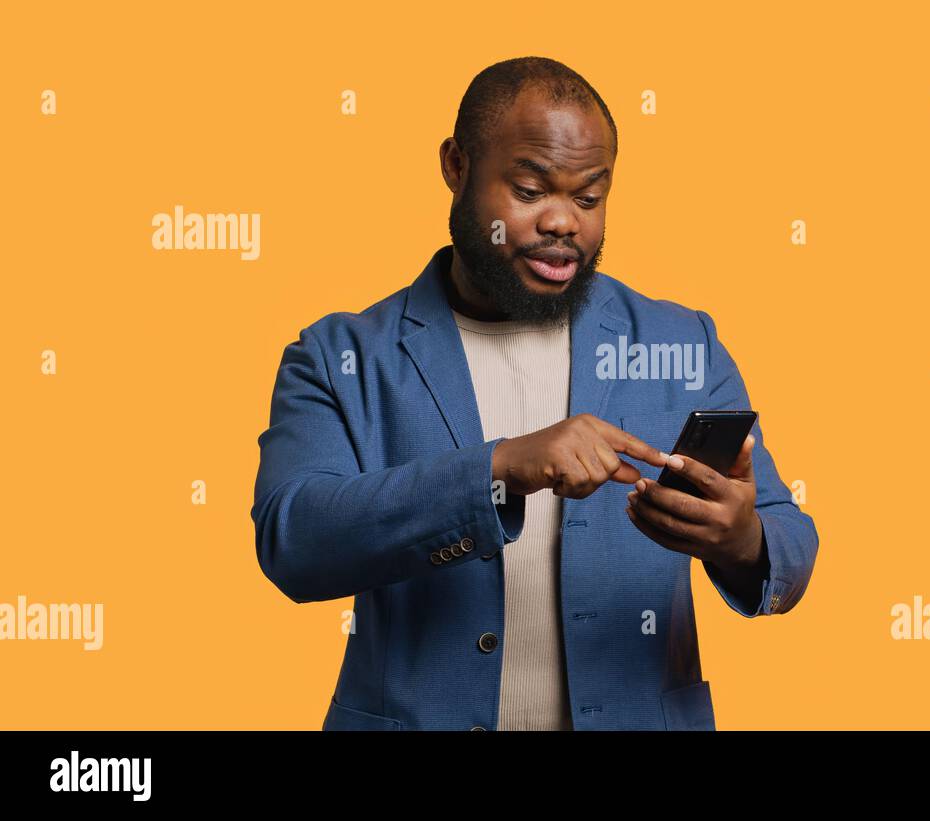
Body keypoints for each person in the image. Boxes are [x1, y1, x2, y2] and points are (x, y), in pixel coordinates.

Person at [250, 56, 819, 731]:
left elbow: (790, 541)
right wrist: (499, 469)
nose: (563, 223)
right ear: (456, 167)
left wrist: (743, 538)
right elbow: (295, 541)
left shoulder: (684, 343)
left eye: (588, 197)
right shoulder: (339, 356)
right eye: (529, 190)